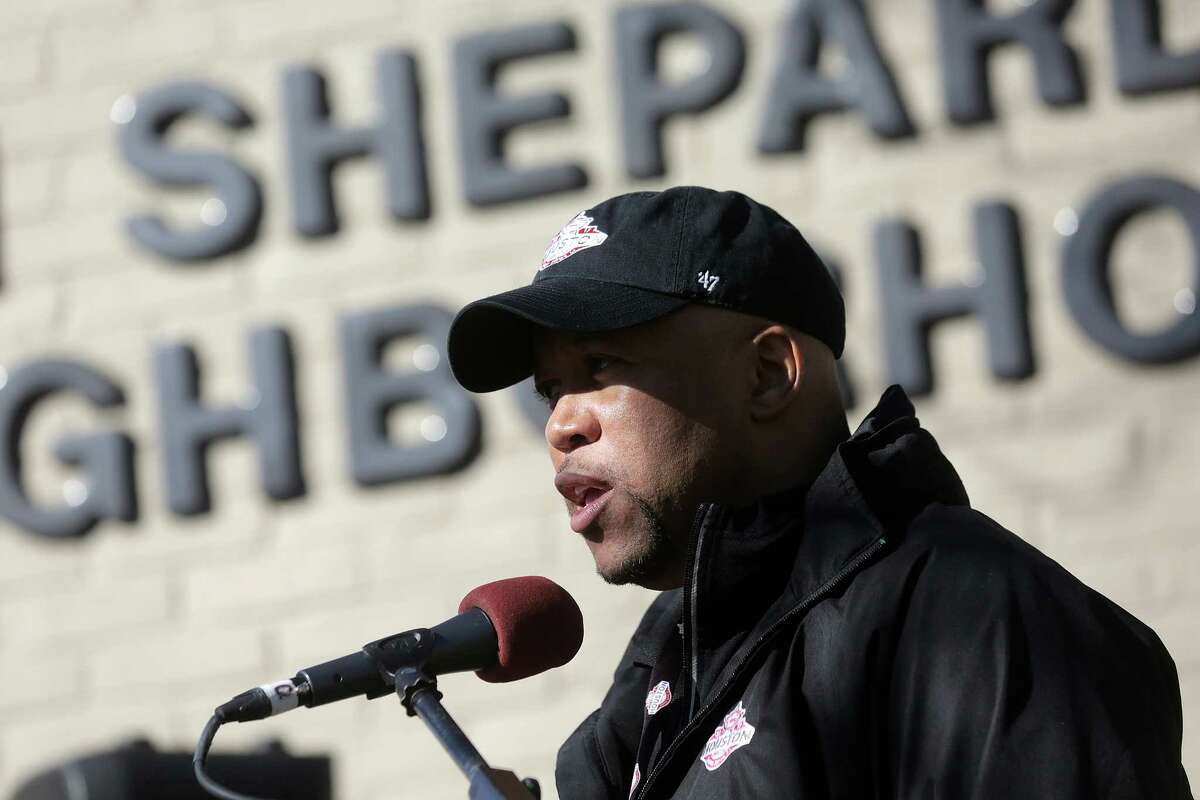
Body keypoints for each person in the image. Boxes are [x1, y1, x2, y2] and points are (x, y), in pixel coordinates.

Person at [446, 186, 1192, 799]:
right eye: (550, 391)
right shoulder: (646, 696)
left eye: (601, 366)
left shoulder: (978, 618)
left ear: (769, 374)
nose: (562, 425)